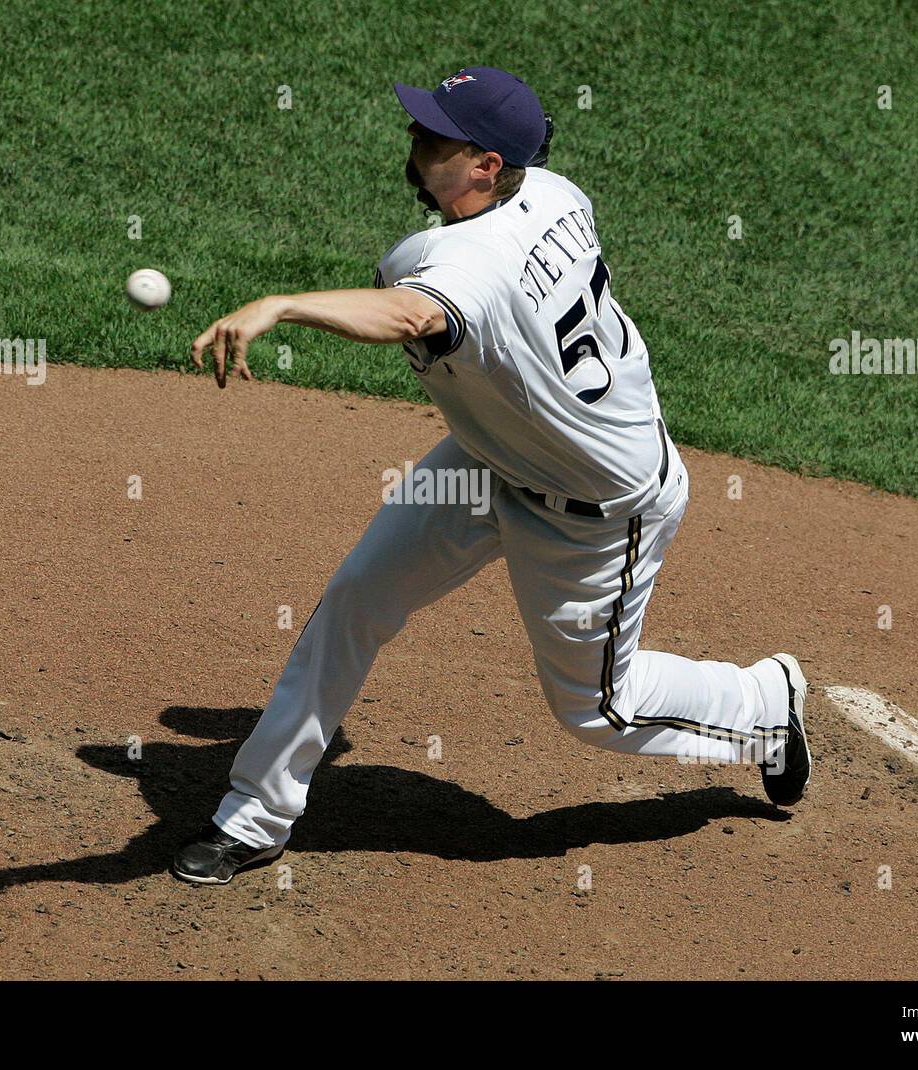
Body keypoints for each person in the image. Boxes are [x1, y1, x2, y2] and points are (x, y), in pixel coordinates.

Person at [173, 66, 810, 886]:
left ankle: (766, 707)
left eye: (434, 136)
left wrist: (281, 305)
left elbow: (411, 312)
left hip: (596, 509)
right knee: (357, 599)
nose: (414, 140)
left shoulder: (467, 264)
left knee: (597, 712)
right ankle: (254, 815)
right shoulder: (551, 192)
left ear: (483, 167)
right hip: (492, 457)